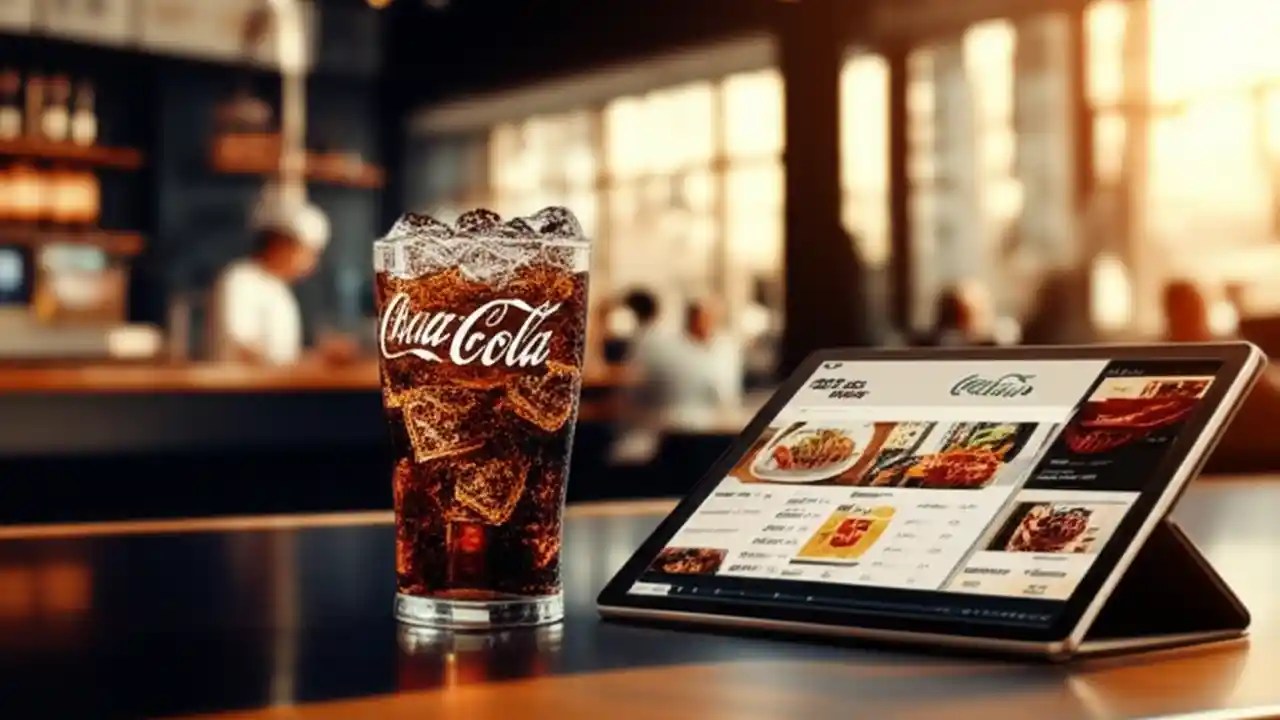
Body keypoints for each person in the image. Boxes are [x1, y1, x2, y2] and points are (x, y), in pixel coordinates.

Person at [208, 188, 329, 365]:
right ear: (279, 245)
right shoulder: (239, 279)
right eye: (306, 254)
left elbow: (284, 354)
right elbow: (241, 347)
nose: (311, 264)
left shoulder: (279, 288)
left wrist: (315, 357)